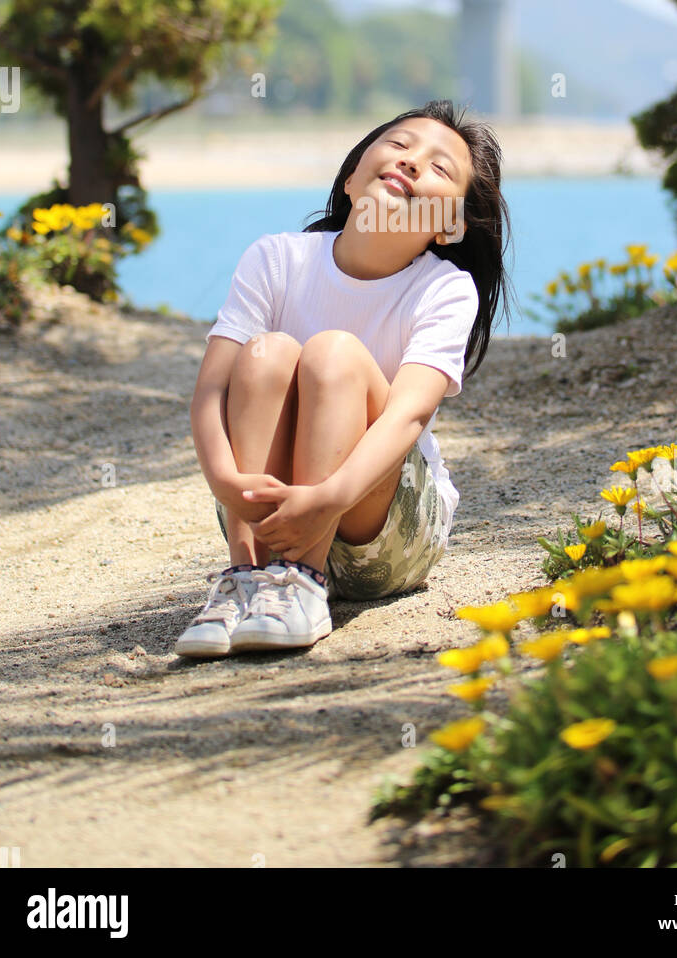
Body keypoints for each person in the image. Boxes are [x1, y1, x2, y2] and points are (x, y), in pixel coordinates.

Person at [174, 99, 513, 658]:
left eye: (439, 168)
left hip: (381, 535)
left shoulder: (445, 289)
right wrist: (222, 480)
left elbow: (407, 415)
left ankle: (302, 583)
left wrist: (329, 497)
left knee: (333, 354)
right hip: (266, 522)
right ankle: (243, 579)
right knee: (264, 355)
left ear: (450, 227)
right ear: (353, 177)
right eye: (400, 147)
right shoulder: (275, 260)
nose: (410, 163)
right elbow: (212, 392)